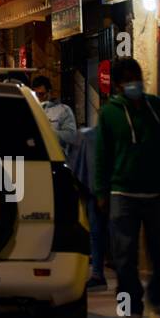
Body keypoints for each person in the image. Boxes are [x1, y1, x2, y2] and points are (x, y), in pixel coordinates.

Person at [95, 57, 160, 318]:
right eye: (126, 79)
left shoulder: (159, 109)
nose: (132, 83)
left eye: (135, 76)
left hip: (157, 194)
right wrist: (101, 192)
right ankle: (128, 309)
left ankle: (155, 299)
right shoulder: (110, 114)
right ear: (117, 85)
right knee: (124, 259)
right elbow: (102, 156)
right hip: (122, 195)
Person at [65, 118, 109, 290]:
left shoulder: (88, 137)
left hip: (96, 190)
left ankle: (99, 274)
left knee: (97, 232)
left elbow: (79, 166)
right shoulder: (95, 137)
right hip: (114, 190)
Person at [33, 75, 78, 152]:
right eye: (35, 95)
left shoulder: (63, 110)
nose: (38, 98)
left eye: (41, 94)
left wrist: (48, 133)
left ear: (49, 92)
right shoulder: (31, 108)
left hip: (55, 156)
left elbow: (71, 136)